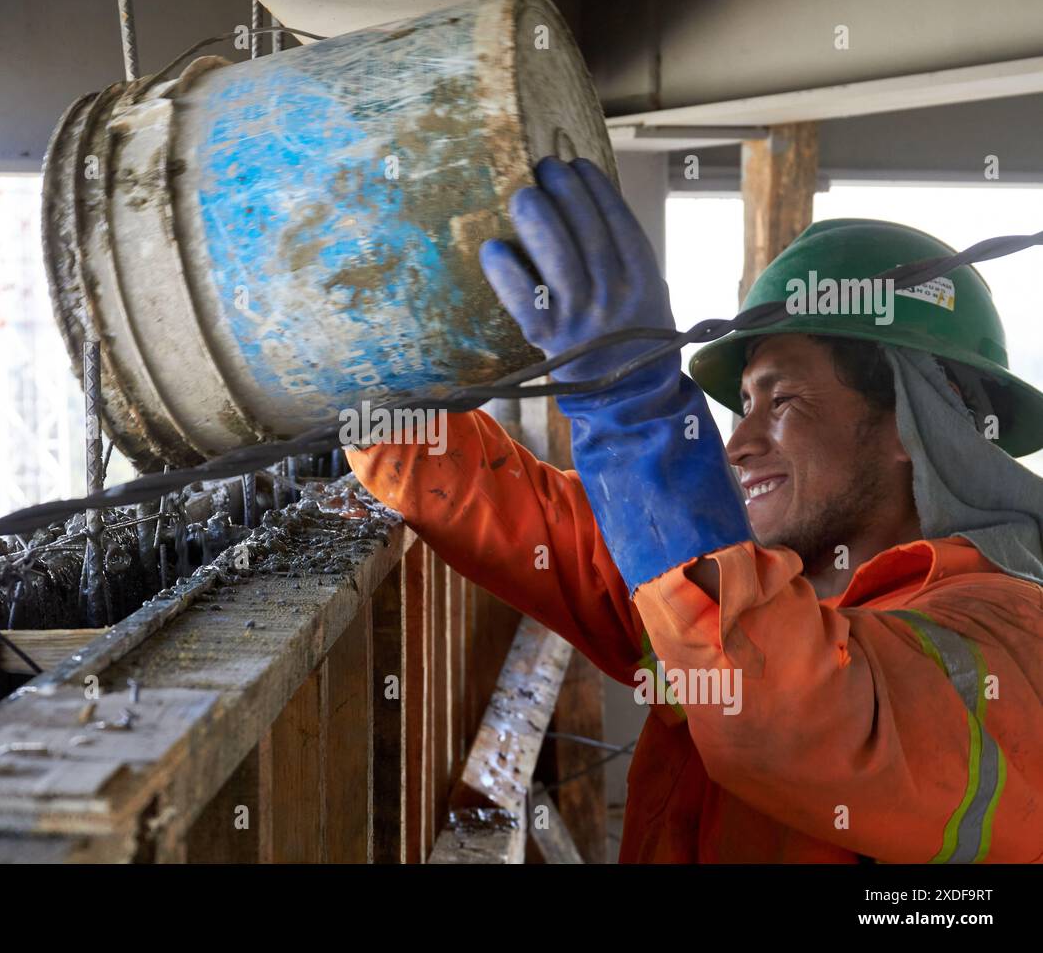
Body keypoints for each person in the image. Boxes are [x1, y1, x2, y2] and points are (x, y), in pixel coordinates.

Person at [346, 157, 1043, 862]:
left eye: (783, 400)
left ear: (914, 423)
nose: (739, 443)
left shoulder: (1015, 638)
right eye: (744, 405)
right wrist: (355, 370)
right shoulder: (753, 587)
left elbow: (799, 718)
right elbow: (515, 513)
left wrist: (634, 412)